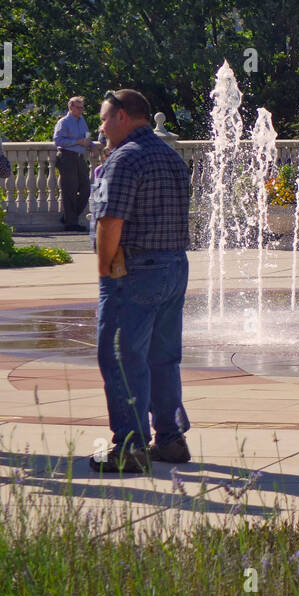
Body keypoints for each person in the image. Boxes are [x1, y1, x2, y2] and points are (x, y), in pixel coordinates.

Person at [88, 88, 192, 473]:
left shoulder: (125, 159)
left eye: (103, 118)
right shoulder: (171, 157)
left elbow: (110, 221)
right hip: (174, 267)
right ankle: (170, 437)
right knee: (163, 357)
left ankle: (130, 446)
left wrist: (104, 272)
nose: (100, 127)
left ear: (123, 117)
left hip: (134, 271)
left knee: (120, 356)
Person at [54, 96, 94, 231]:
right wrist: (76, 142)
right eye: (78, 107)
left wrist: (91, 144)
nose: (81, 110)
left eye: (82, 107)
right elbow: (58, 140)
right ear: (70, 107)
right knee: (70, 190)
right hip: (67, 156)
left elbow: (87, 135)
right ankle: (71, 222)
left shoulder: (82, 120)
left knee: (85, 189)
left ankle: (69, 216)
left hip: (80, 157)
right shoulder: (63, 122)